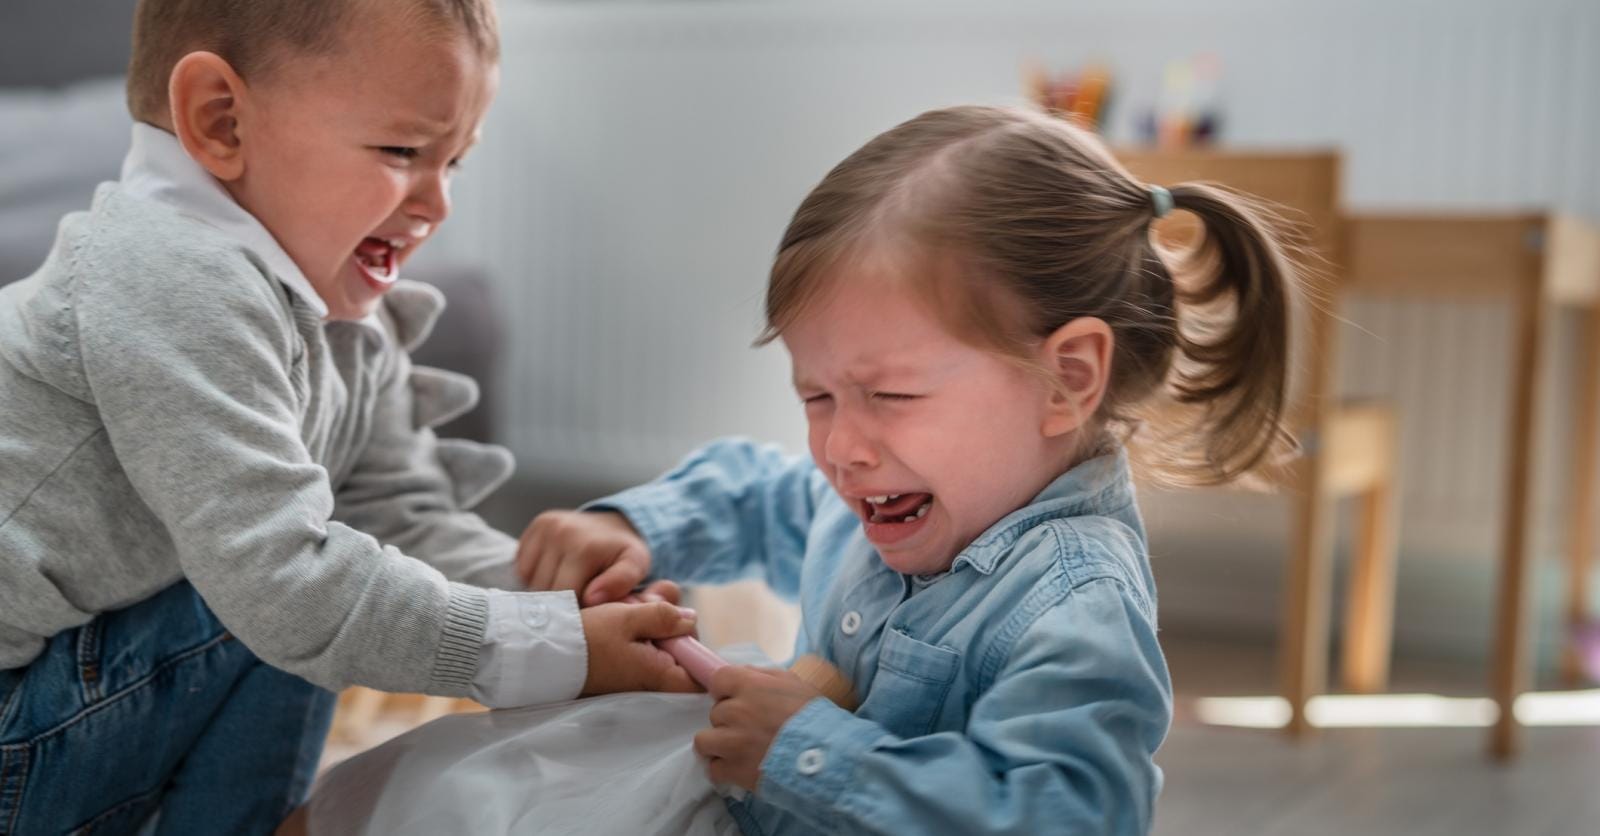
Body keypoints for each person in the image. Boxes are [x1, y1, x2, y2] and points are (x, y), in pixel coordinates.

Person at [0, 1, 694, 831]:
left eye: (454, 162)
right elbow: (286, 584)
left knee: (327, 572)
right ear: (221, 121)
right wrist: (547, 651)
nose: (437, 204)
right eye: (403, 152)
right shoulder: (165, 273)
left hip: (60, 699)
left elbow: (400, 515)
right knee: (289, 588)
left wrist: (556, 600)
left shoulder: (334, 299)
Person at [522, 104, 1300, 834]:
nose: (842, 447)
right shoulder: (886, 494)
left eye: (890, 395)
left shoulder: (1073, 603)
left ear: (1065, 379)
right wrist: (636, 527)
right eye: (816, 396)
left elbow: (1065, 815)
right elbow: (761, 494)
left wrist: (809, 751)